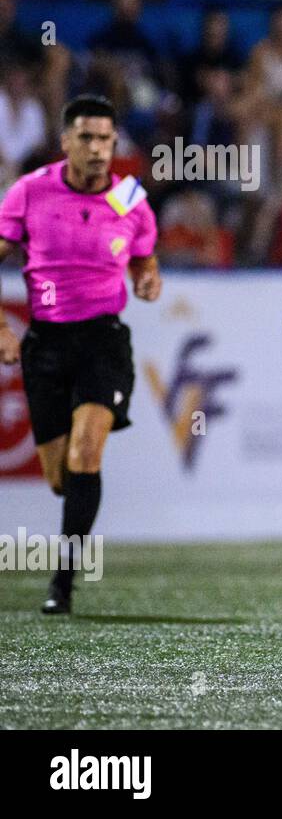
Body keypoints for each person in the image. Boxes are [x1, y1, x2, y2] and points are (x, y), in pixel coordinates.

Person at [0, 94, 162, 614]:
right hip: (45, 343)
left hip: (104, 341)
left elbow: (143, 254)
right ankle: (68, 557)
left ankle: (62, 585)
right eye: (87, 138)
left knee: (86, 452)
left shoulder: (130, 197)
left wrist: (147, 276)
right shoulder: (29, 192)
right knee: (59, 478)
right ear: (65, 140)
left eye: (106, 140)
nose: (97, 149)